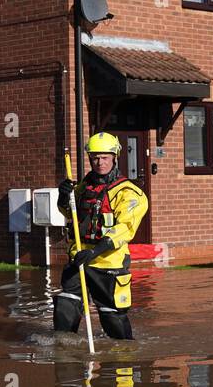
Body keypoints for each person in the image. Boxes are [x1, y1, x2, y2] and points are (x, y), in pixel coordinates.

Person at [52, 132, 148, 340]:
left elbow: (124, 229)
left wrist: (95, 251)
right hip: (79, 258)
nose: (99, 162)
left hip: (108, 262)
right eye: (95, 157)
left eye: (105, 157)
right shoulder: (83, 187)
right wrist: (63, 196)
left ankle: (124, 360)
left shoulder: (129, 193)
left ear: (115, 157)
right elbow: (70, 213)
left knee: (112, 317)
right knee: (65, 308)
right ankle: (66, 358)